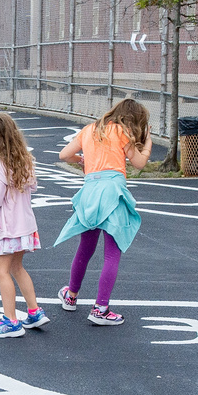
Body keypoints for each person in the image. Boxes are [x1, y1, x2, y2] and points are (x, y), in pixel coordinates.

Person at [55, 98, 154, 326]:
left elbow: (63, 155)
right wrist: (148, 142)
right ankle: (101, 308)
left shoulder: (91, 129)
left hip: (90, 190)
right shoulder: (122, 132)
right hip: (113, 192)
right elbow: (139, 162)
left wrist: (82, 160)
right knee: (112, 253)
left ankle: (71, 296)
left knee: (85, 248)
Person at [0, 113, 49, 337]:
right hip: (25, 225)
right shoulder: (25, 161)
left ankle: (11, 321)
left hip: (7, 228)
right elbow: (32, 186)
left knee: (1, 271)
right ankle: (34, 311)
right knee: (17, 268)